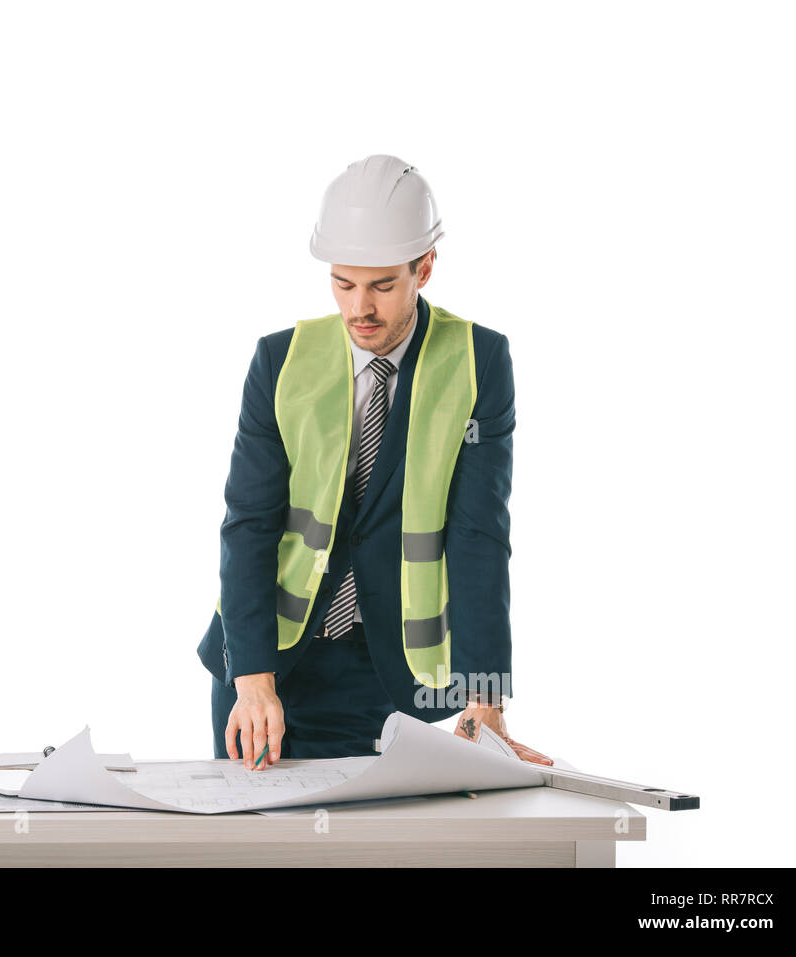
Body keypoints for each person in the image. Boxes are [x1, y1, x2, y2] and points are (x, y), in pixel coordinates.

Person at [195, 155, 553, 769]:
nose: (360, 307)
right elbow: (248, 521)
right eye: (343, 283)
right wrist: (250, 677)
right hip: (271, 665)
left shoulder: (479, 362)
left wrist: (485, 696)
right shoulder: (280, 361)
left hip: (395, 676)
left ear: (425, 267)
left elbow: (479, 534)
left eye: (383, 286)